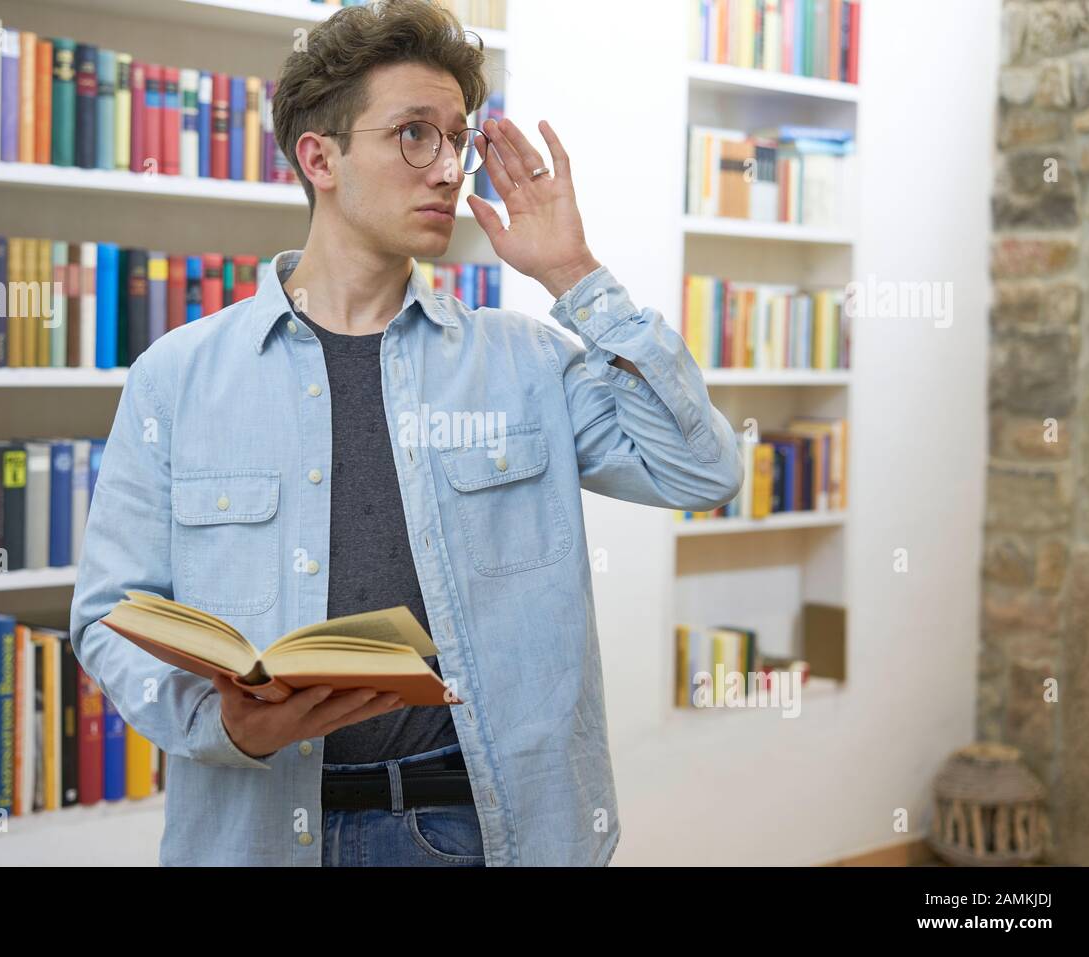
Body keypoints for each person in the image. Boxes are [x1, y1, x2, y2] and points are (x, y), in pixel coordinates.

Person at [69, 0, 742, 866]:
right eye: (414, 135)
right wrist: (219, 721)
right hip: (262, 832)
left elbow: (701, 470)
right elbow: (103, 615)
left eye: (458, 138)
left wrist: (575, 275)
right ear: (321, 157)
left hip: (472, 831)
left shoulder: (528, 362)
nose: (450, 168)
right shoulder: (176, 376)